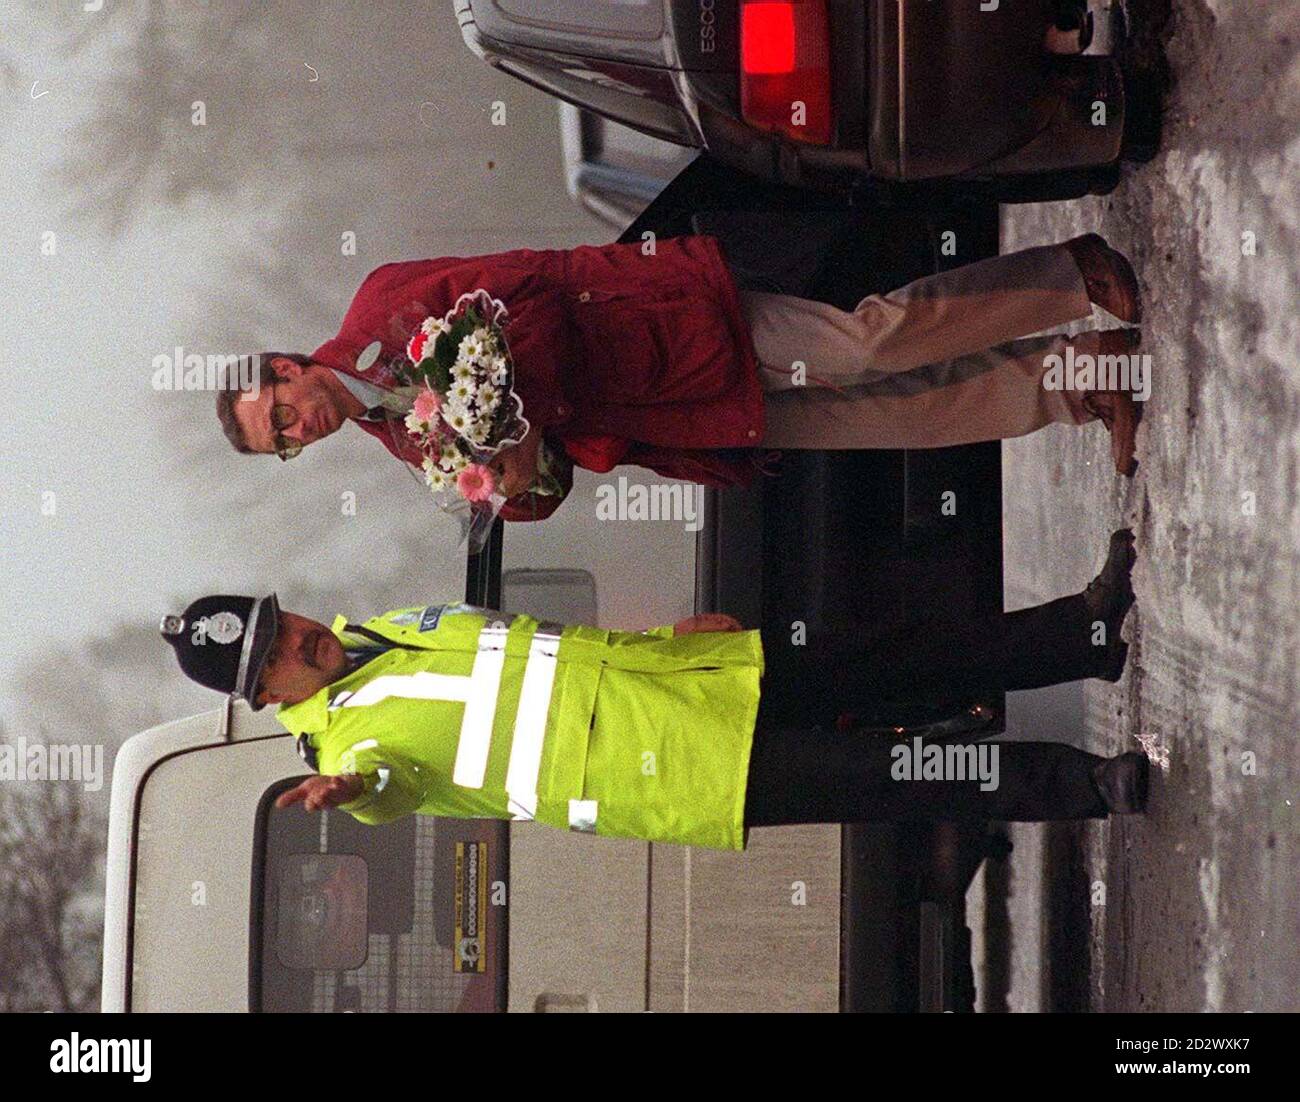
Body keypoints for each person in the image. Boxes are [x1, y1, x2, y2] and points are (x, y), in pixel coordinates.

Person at [159, 530, 1149, 850]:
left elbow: (550, 646)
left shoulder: (400, 624)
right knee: (898, 770)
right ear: (269, 694)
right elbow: (387, 787)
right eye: (279, 653)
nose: (302, 637)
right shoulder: (344, 754)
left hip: (690, 679)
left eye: (283, 620)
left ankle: (1084, 632)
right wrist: (351, 796)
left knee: (902, 654)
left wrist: (662, 639)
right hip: (679, 764)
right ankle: (1086, 786)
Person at [215, 233, 1145, 523]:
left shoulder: (383, 310)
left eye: (283, 411)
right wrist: (519, 480)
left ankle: (1071, 274)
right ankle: (1078, 384)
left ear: (291, 367)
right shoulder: (400, 438)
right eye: (283, 443)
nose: (300, 429)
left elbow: (527, 297)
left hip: (663, 325)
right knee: (892, 416)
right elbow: (540, 492)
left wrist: (518, 422)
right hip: (674, 419)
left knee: (867, 342)